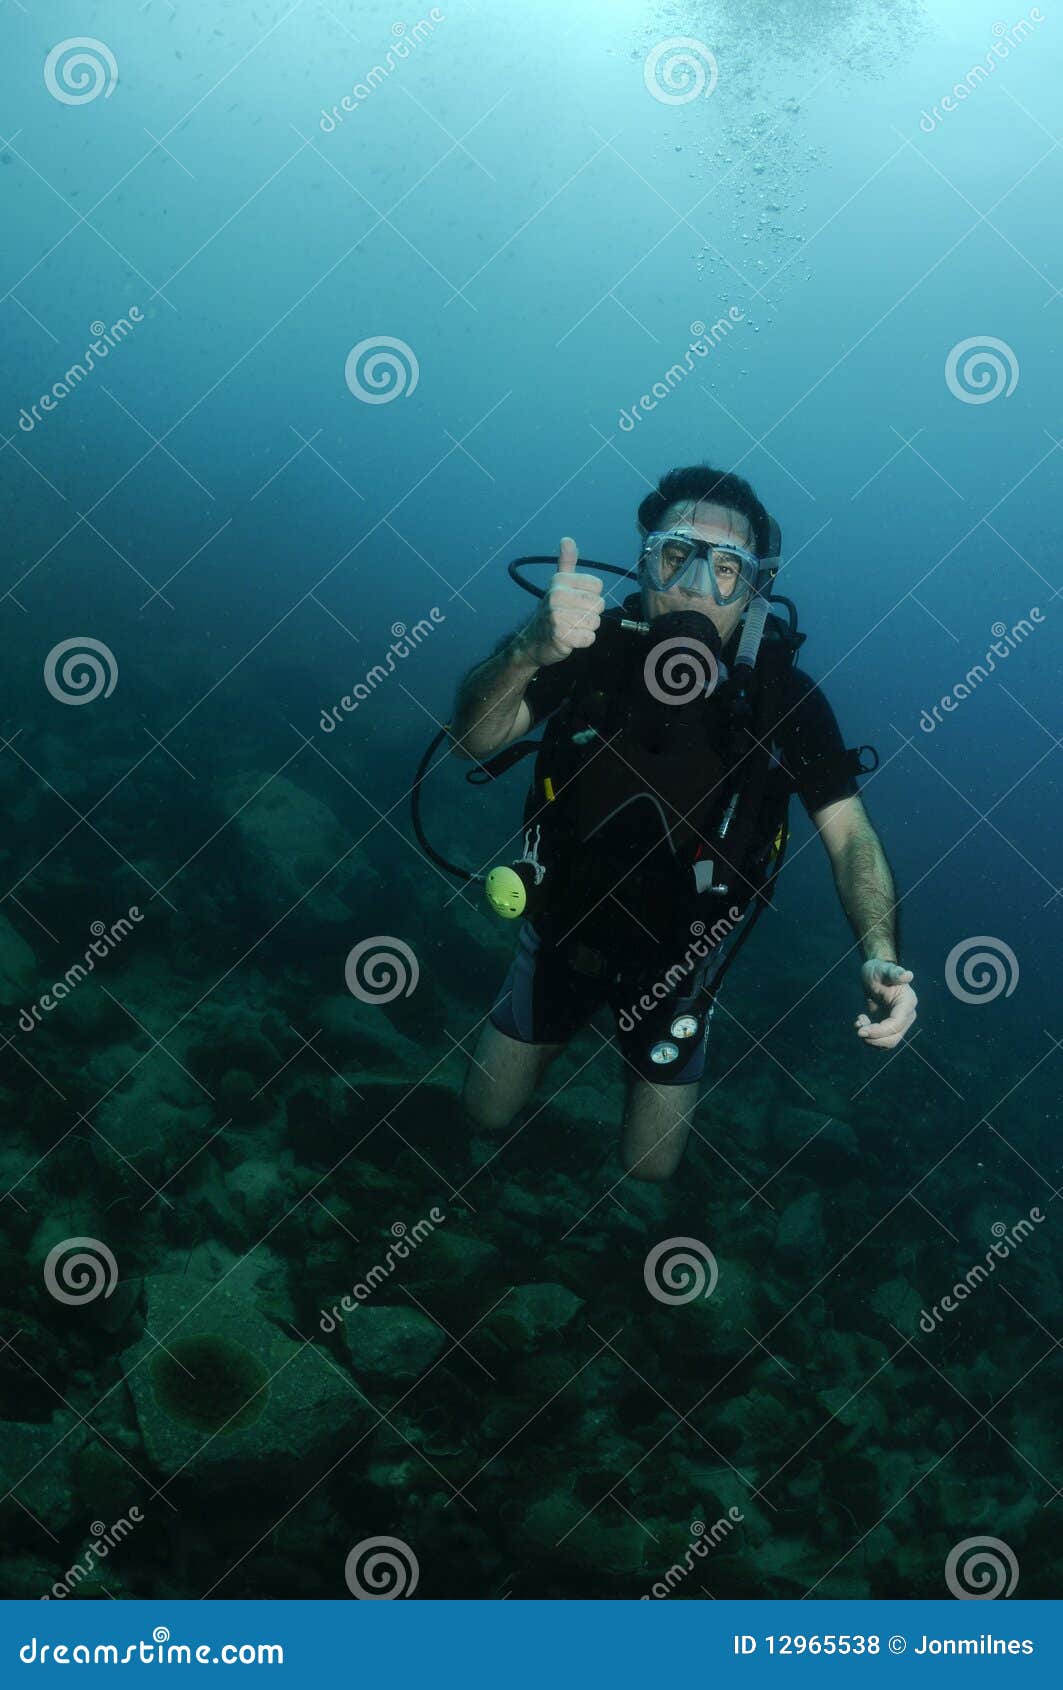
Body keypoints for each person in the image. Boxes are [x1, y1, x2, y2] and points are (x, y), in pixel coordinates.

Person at [449, 467, 917, 1182]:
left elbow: (851, 835)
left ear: (754, 589)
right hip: (559, 930)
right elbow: (471, 740)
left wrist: (880, 951)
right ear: (643, 561)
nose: (697, 588)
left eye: (726, 568)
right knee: (482, 1116)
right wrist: (525, 651)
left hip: (681, 965)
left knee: (649, 1172)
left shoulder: (781, 699)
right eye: (676, 555)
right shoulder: (586, 651)